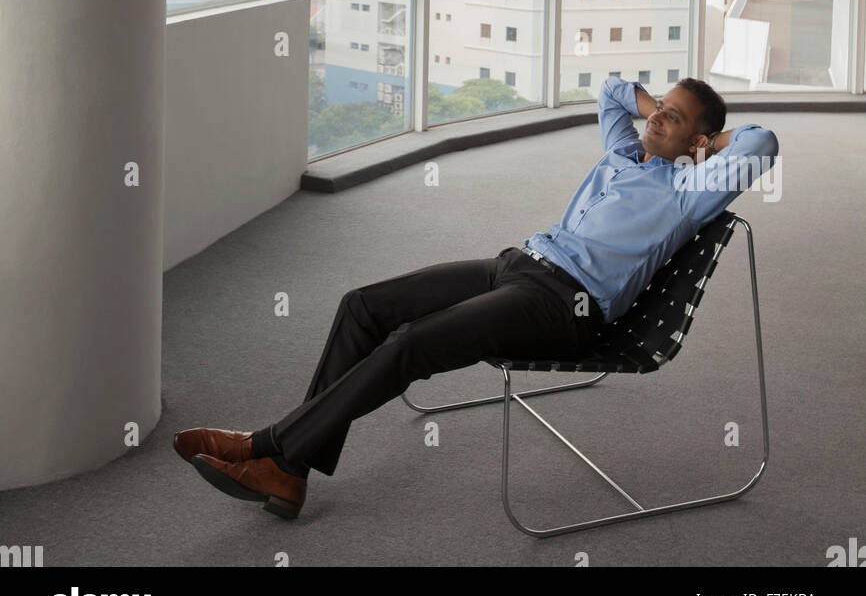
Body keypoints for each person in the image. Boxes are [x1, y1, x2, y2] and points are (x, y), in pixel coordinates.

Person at [175, 75, 778, 520]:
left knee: (411, 344)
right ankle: (289, 468)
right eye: (660, 109)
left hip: (565, 305)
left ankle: (268, 450)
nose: (654, 119)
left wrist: (705, 144)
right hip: (515, 266)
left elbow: (762, 142)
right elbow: (612, 91)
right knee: (364, 305)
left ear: (698, 140)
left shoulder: (689, 189)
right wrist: (659, 112)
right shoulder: (624, 153)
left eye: (673, 118)